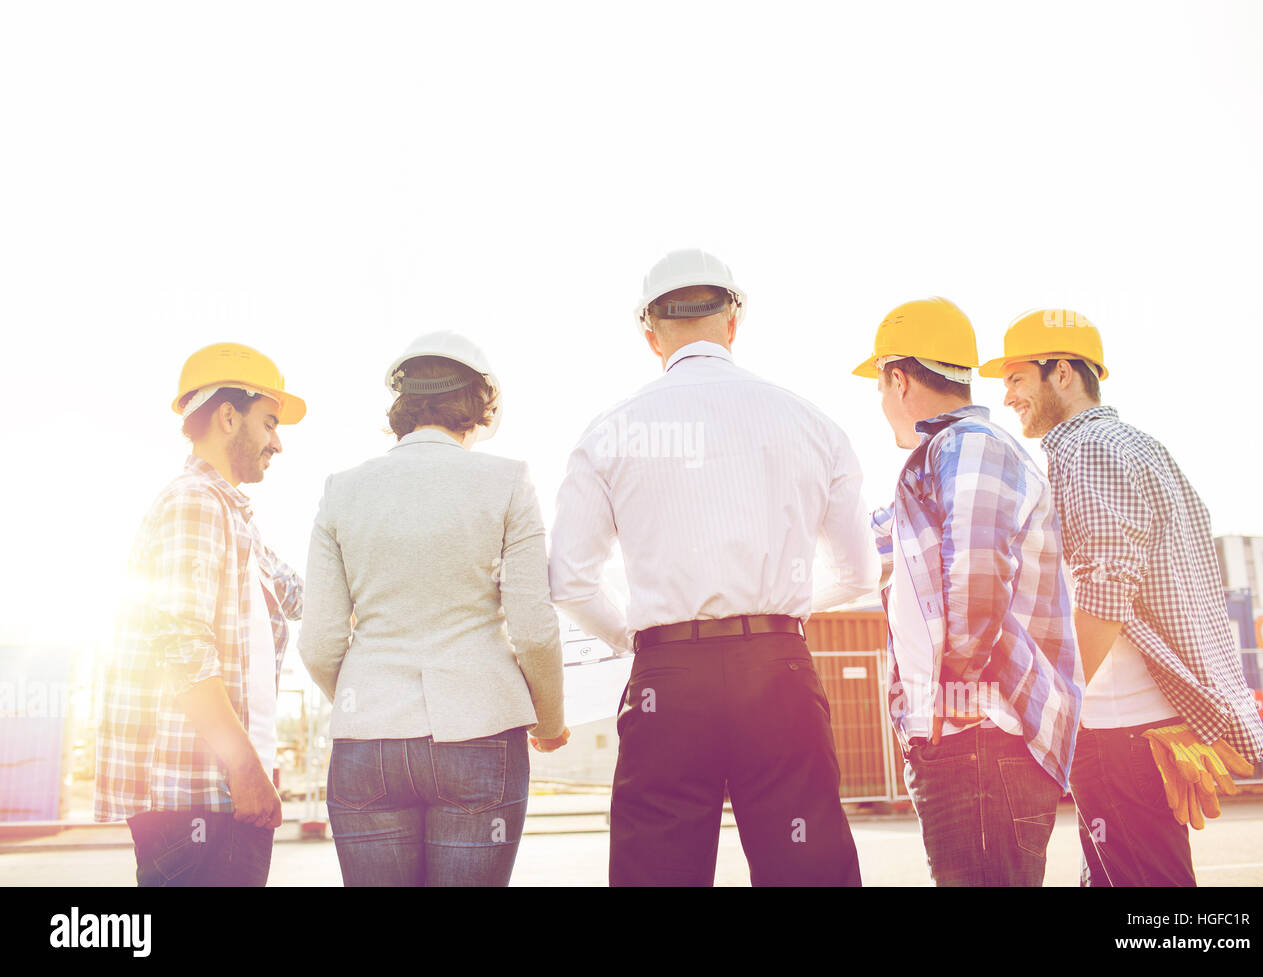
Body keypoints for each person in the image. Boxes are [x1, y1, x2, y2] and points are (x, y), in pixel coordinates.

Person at [549, 249, 875, 886]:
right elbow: (861, 574)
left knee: (658, 872)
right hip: (778, 670)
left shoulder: (609, 432)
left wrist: (634, 637)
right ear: (733, 322)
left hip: (666, 680)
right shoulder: (813, 422)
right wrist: (781, 613)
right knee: (805, 868)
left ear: (650, 335)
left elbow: (569, 579)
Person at [982, 309, 1263, 886]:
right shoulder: (1144, 447)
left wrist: (1056, 700)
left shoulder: (1085, 449)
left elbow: (1106, 586)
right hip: (1145, 719)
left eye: (1017, 377)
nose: (1008, 394)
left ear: (1061, 373)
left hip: (1119, 726)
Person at [299, 331, 567, 887]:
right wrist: (549, 720)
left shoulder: (341, 490)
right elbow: (534, 632)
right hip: (480, 734)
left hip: (367, 738)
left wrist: (367, 698)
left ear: (400, 404)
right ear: (480, 405)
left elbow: (319, 642)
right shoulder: (507, 481)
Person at [855, 297, 1083, 886]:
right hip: (969, 739)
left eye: (879, 387)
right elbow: (871, 549)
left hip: (980, 738)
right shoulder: (947, 457)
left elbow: (978, 577)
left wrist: (945, 699)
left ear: (899, 379)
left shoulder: (970, 446)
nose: (881, 404)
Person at [94, 342, 306, 886]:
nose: (278, 442)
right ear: (229, 417)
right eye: (270, 422)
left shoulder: (235, 517)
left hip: (214, 799)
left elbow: (303, 595)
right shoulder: (195, 503)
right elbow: (182, 650)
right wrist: (246, 771)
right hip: (198, 798)